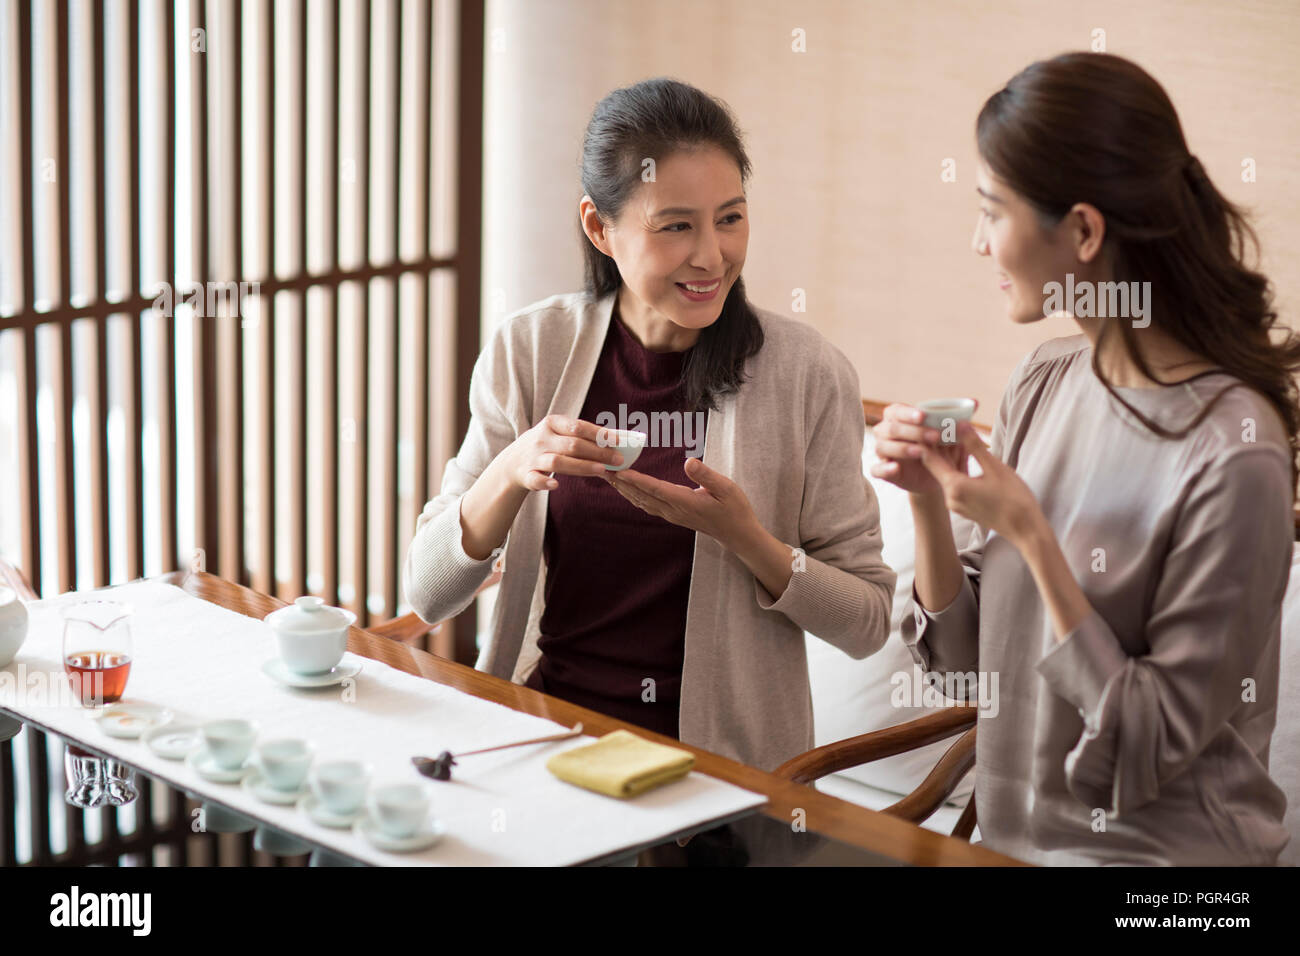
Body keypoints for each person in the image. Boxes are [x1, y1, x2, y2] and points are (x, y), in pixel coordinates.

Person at [874, 52, 1300, 865]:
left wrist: (1033, 537)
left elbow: (1143, 747)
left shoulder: (1235, 450)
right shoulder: (1044, 381)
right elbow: (966, 675)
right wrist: (929, 499)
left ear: (1081, 231)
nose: (978, 243)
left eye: (991, 212)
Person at [403, 77, 895, 773]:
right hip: (540, 739)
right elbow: (426, 592)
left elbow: (869, 621)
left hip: (718, 778)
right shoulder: (532, 349)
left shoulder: (808, 374)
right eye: (676, 226)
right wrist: (512, 469)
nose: (711, 256)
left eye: (730, 218)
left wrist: (748, 540)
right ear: (600, 228)